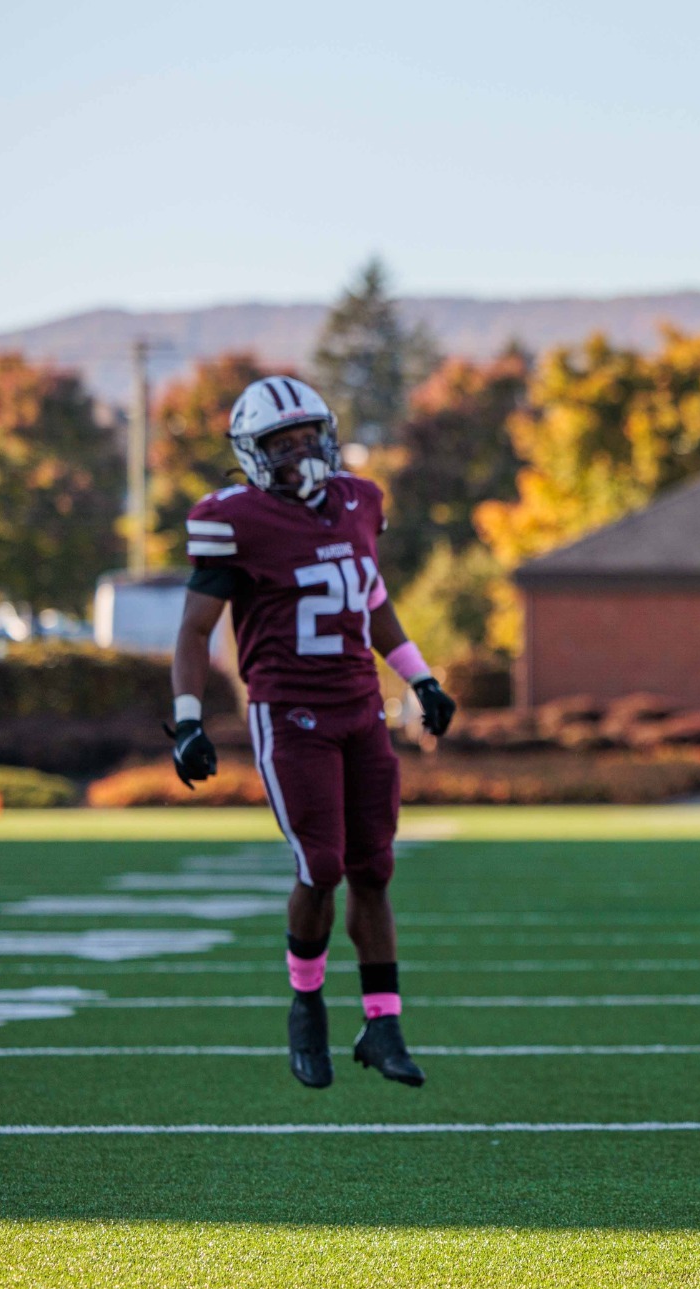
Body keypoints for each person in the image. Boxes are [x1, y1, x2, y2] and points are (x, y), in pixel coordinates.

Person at [166, 374, 457, 1090]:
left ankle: (383, 1023)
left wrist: (420, 676)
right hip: (288, 713)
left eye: (307, 435)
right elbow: (195, 630)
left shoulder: (360, 500)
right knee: (321, 864)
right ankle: (306, 1005)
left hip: (361, 707)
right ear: (253, 452)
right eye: (282, 442)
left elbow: (374, 599)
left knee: (375, 866)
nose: (300, 451)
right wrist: (187, 721)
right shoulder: (236, 519)